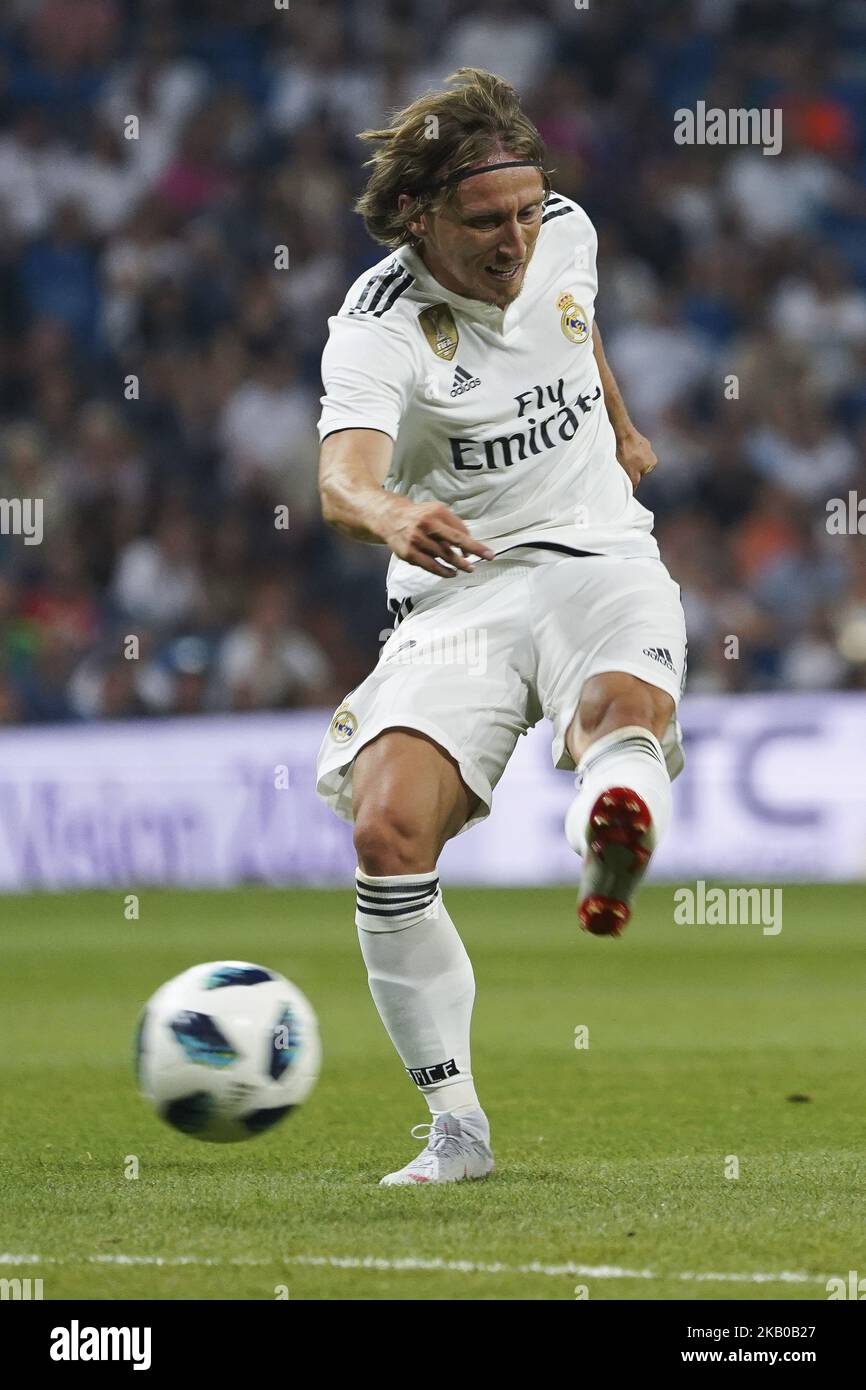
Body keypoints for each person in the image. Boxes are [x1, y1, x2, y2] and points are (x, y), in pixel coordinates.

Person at [314, 69, 687, 1185]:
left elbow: (577, 330)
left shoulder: (567, 234)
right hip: (456, 589)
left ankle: (608, 822)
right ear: (418, 216)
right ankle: (457, 1129)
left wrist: (619, 426)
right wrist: (393, 511)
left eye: (526, 211)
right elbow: (341, 478)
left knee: (618, 714)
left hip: (595, 552)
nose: (515, 238)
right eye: (485, 222)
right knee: (386, 835)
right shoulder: (377, 327)